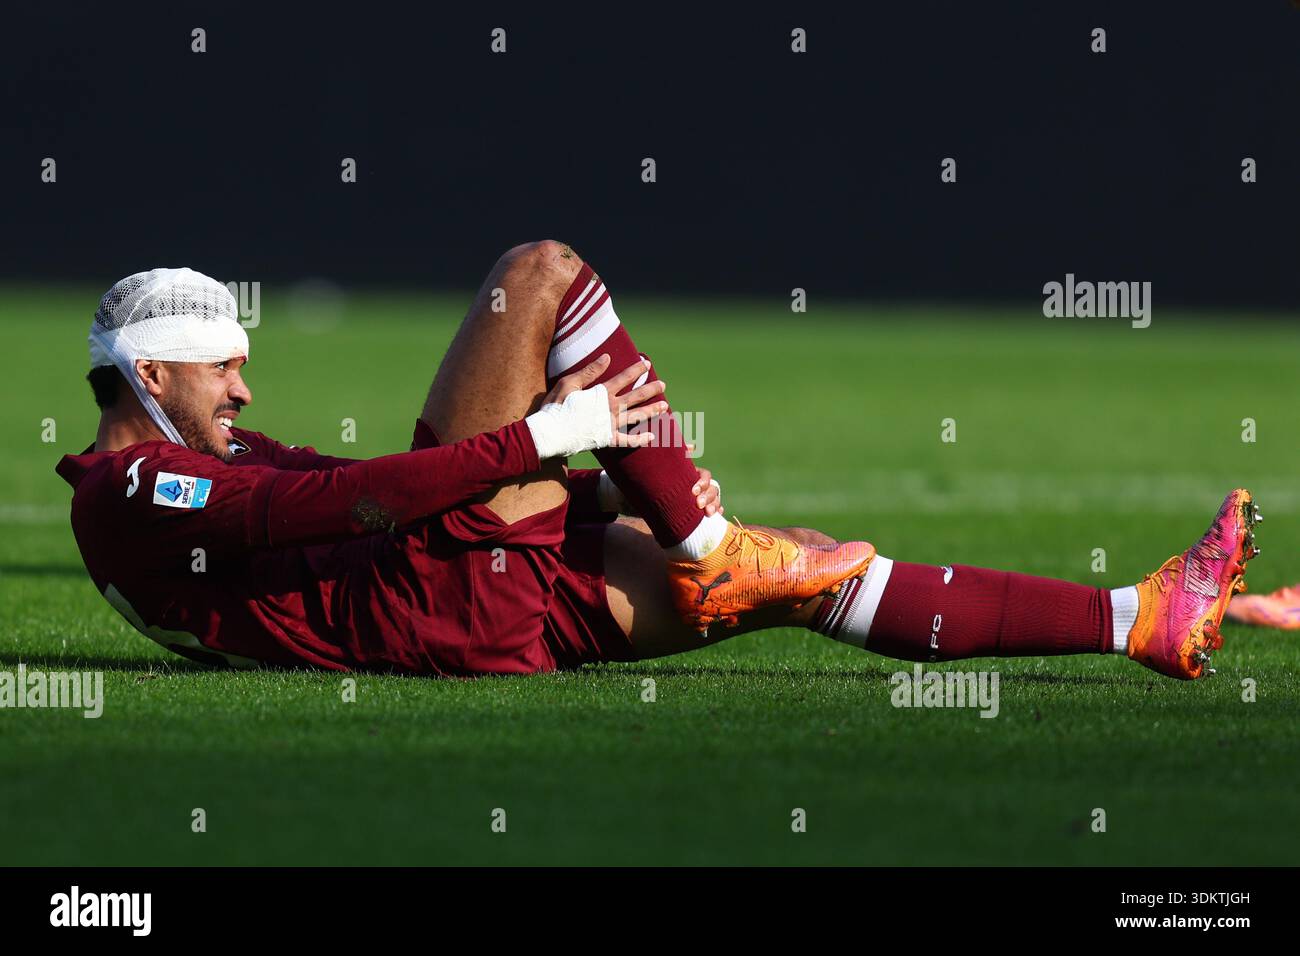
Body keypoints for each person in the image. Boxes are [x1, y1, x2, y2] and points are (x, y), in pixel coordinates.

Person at [57, 245, 1258, 681]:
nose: (245, 388)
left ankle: (1140, 615)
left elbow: (335, 492)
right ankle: (703, 539)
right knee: (541, 275)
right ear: (152, 376)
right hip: (434, 596)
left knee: (812, 577)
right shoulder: (133, 490)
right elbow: (350, 499)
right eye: (223, 369)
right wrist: (541, 440)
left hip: (476, 615)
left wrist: (567, 472)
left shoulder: (185, 465)